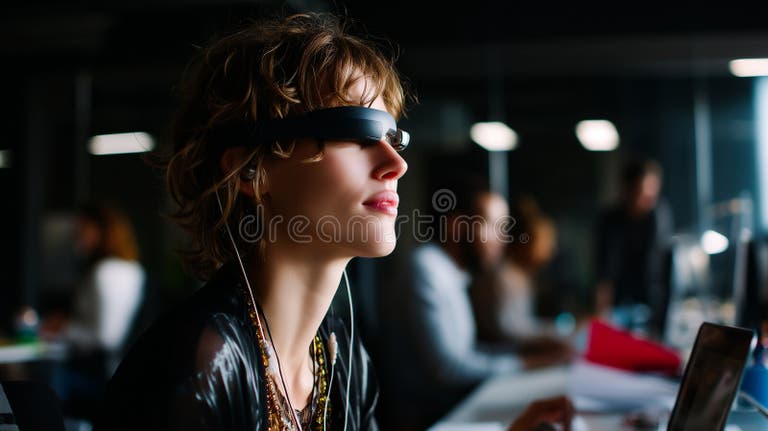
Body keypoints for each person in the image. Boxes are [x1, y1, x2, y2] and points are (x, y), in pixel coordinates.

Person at [96, 13, 573, 431]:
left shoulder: (340, 356)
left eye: (395, 138)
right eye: (358, 132)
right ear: (252, 171)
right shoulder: (199, 365)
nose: (396, 164)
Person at [379, 185, 573, 430]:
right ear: (457, 225)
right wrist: (529, 363)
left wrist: (532, 353)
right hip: (428, 419)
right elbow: (449, 367)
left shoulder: (453, 273)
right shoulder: (427, 269)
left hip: (454, 406)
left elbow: (467, 352)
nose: (502, 239)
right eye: (492, 226)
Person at [41, 203, 145, 418]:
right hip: (125, 373)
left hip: (102, 376)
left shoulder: (105, 273)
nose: (77, 236)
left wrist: (63, 328)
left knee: (38, 383)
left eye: (83, 229)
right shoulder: (131, 269)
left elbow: (106, 338)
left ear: (101, 231)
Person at [594, 157, 673, 335]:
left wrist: (660, 324)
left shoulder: (659, 217)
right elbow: (603, 272)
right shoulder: (610, 220)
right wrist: (601, 317)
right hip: (617, 309)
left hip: (651, 311)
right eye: (643, 194)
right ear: (627, 189)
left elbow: (663, 275)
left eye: (653, 196)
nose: (649, 201)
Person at [471, 196, 564, 343]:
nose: (552, 250)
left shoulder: (522, 277)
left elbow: (522, 324)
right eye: (546, 243)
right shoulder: (503, 277)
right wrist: (553, 335)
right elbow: (505, 330)